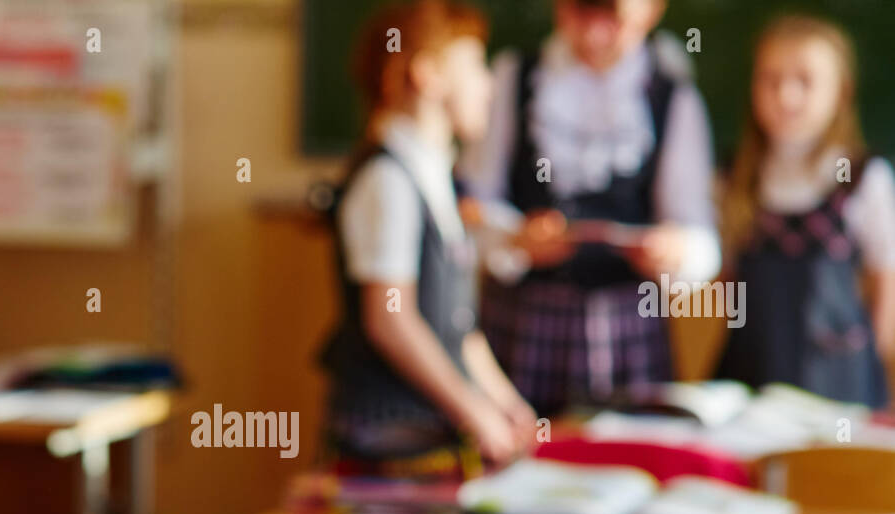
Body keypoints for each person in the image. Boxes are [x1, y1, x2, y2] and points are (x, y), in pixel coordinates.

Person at [463, 0, 720, 416]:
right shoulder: (514, 77)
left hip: (630, 332)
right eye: (580, 12)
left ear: (650, 10)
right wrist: (515, 240)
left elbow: (699, 236)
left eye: (614, 18)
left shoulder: (672, 94)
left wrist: (676, 252)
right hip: (522, 327)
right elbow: (472, 208)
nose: (594, 35)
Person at [320, 0, 535, 477]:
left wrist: (507, 405)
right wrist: (473, 411)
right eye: (475, 65)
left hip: (427, 439)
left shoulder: (436, 176)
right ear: (427, 74)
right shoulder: (388, 179)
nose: (488, 85)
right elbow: (390, 319)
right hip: (385, 445)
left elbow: (460, 329)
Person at [715, 14, 895, 408]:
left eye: (805, 81)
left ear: (841, 92)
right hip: (752, 382)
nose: (786, 96)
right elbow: (724, 287)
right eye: (771, 79)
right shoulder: (733, 178)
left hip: (840, 386)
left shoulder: (864, 178)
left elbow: (886, 288)